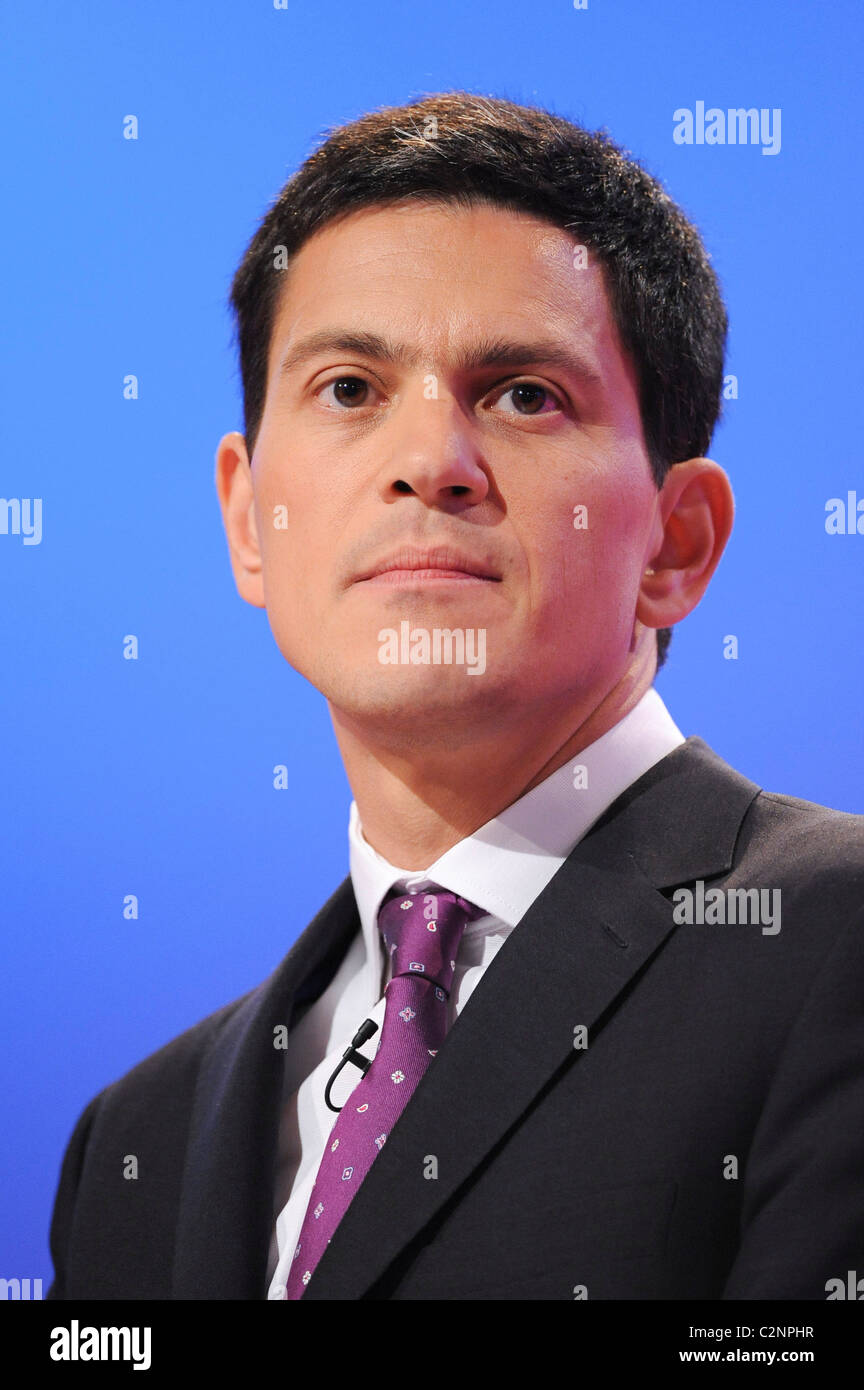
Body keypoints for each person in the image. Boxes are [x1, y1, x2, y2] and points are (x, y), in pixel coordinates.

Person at [46, 92, 864, 1301]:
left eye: (524, 392)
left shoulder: (830, 951)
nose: (428, 460)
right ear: (247, 518)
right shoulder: (136, 1139)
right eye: (348, 389)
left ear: (676, 543)